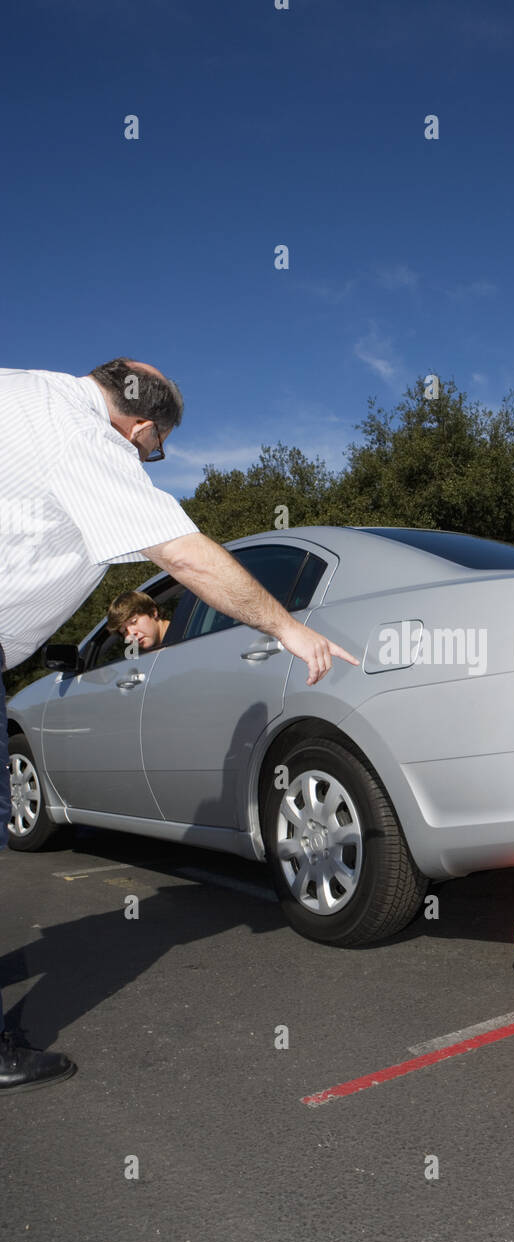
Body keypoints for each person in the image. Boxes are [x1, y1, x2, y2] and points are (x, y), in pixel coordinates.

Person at [0, 357, 358, 1093]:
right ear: (143, 425)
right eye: (152, 449)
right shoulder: (87, 437)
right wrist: (286, 626)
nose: (143, 457)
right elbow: (182, 554)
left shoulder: (21, 391)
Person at [106, 590, 171, 651]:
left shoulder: (179, 636)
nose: (131, 634)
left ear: (153, 612)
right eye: (124, 631)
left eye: (134, 622)